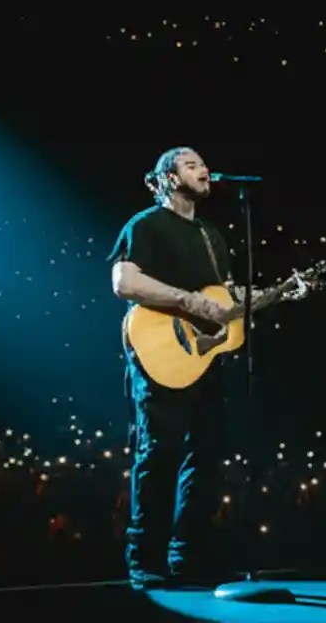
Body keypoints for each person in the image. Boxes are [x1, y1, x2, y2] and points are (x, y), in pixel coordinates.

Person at [106, 146, 259, 590]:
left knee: (207, 456)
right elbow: (124, 282)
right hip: (160, 352)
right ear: (169, 178)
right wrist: (187, 300)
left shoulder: (212, 235)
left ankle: (188, 556)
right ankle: (145, 559)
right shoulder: (146, 224)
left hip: (204, 358)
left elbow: (223, 299)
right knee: (160, 453)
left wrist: (279, 293)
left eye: (204, 164)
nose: (204, 169)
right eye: (192, 165)